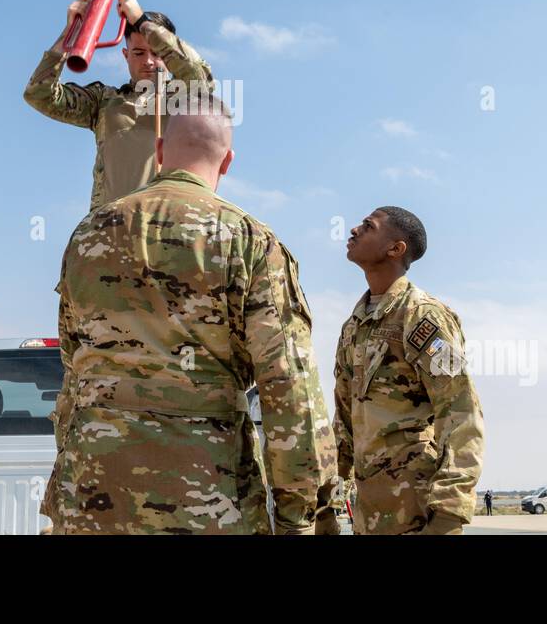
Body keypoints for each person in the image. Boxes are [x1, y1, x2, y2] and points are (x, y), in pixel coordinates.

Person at [43, 98, 337, 534]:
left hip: (92, 490)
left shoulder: (88, 234)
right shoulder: (250, 241)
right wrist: (301, 514)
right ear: (228, 161)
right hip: (208, 494)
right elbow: (289, 389)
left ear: (159, 151)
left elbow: (72, 358)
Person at [333, 207, 485, 534]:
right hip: (369, 513)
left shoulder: (422, 317)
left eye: (368, 226)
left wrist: (449, 513)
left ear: (395, 248)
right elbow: (344, 424)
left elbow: (460, 411)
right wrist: (326, 504)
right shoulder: (354, 326)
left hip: (417, 512)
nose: (354, 230)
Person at [24, 0, 213, 210]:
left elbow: (201, 77)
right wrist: (72, 32)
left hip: (165, 232)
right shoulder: (104, 101)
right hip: (108, 234)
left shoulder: (185, 100)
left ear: (169, 53)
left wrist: (141, 21)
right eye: (139, 53)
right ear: (126, 55)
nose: (149, 62)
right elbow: (39, 94)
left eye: (157, 53)